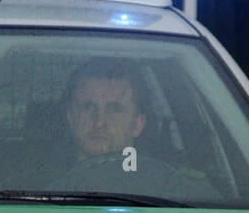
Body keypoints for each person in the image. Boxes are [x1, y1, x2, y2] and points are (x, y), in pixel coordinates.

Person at [43, 58, 197, 198]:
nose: (99, 122)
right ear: (71, 118)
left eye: (114, 109)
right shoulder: (36, 181)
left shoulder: (170, 186)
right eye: (88, 107)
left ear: (138, 124)